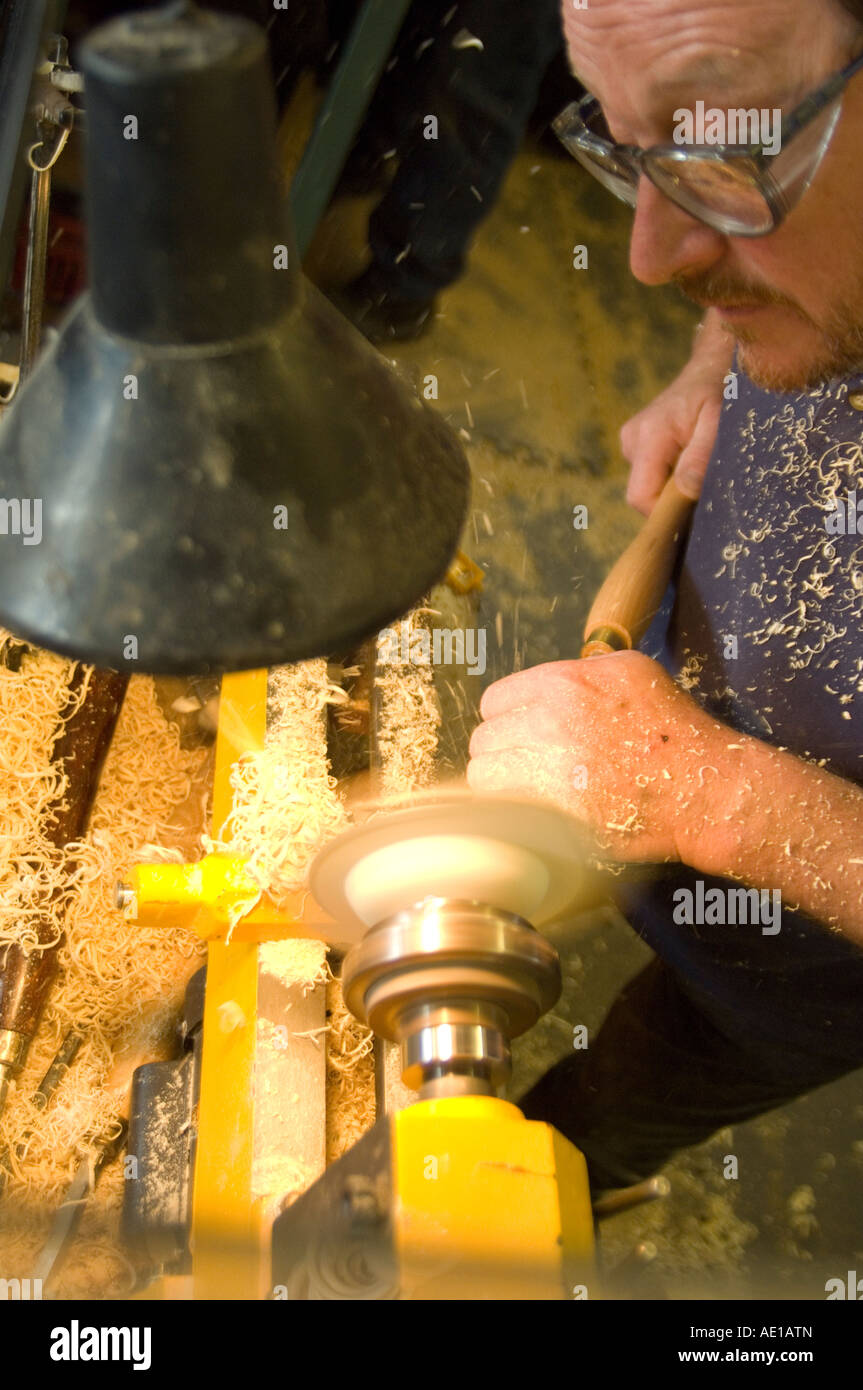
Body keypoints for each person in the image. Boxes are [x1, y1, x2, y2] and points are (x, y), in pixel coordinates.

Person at [468, 0, 863, 1191]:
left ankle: (580, 1171)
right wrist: (729, 348)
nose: (648, 258)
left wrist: (717, 798)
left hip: (790, 971)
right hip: (658, 714)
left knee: (609, 1106)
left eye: (724, 145)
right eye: (634, 149)